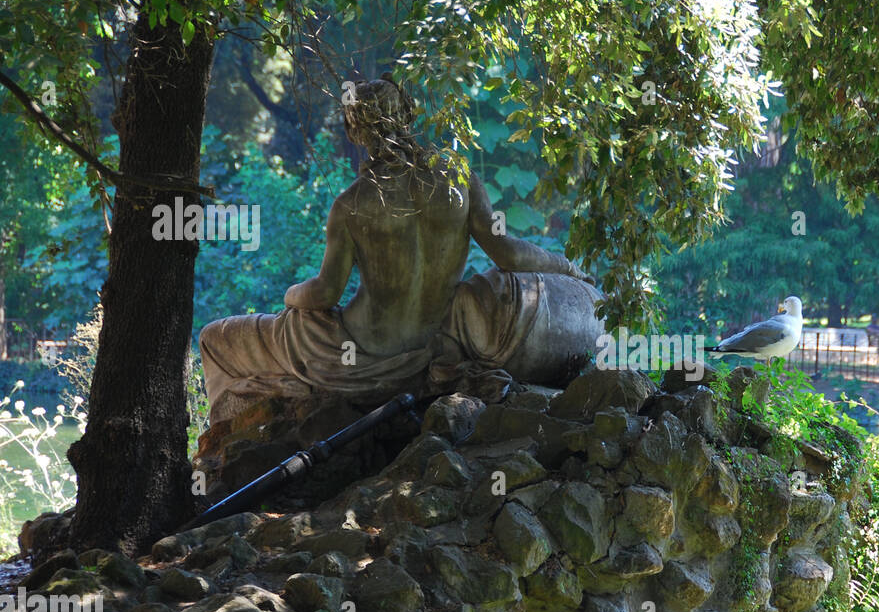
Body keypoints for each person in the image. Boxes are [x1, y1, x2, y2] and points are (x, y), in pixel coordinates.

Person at [199, 75, 602, 422]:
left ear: (355, 132)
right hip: (430, 344)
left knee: (214, 339)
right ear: (409, 115)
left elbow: (325, 293)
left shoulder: (351, 204)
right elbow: (509, 255)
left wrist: (291, 296)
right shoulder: (456, 179)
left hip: (358, 355)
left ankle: (221, 454)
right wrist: (567, 266)